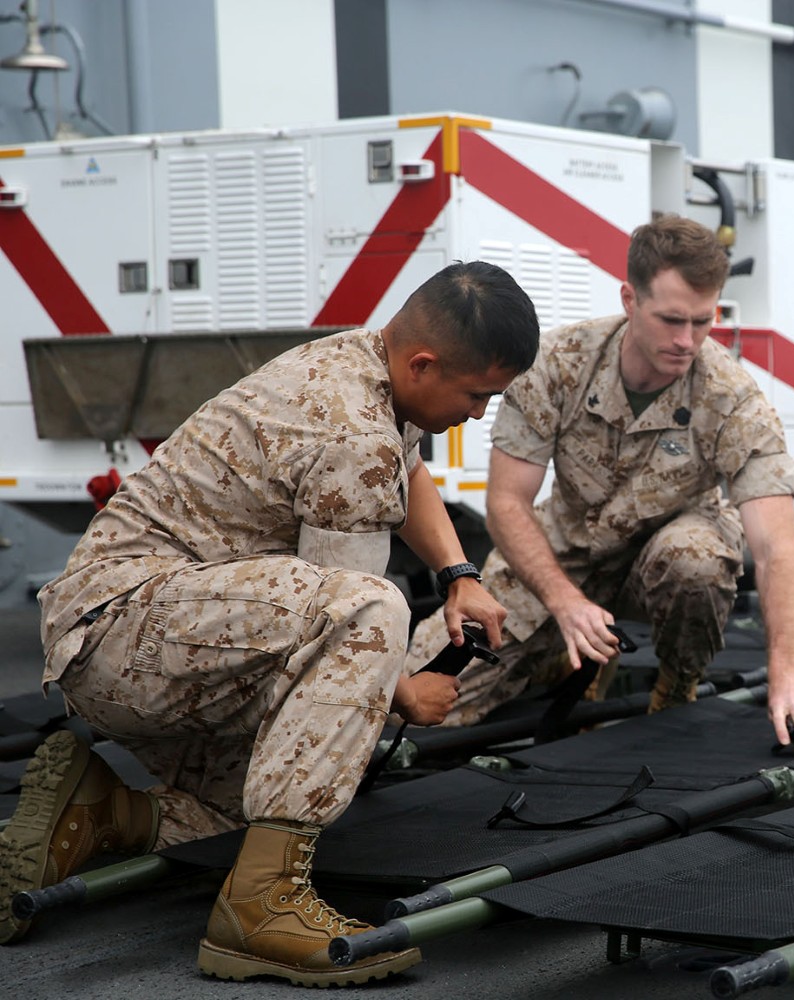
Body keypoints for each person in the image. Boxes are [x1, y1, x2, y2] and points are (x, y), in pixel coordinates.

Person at [6, 261, 540, 986]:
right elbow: (352, 618)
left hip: (151, 630)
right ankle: (260, 909)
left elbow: (407, 466)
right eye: (478, 395)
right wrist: (406, 692)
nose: (478, 414)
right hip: (124, 632)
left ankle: (104, 815)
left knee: (260, 807)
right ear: (424, 364)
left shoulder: (367, 361)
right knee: (371, 612)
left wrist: (460, 575)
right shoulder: (353, 433)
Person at [403, 215, 794, 747]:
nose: (686, 340)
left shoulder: (732, 398)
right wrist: (565, 603)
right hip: (564, 550)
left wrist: (789, 671)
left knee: (695, 558)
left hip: (666, 559)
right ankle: (559, 663)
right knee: (415, 705)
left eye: (702, 321)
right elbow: (507, 502)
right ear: (630, 300)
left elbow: (777, 547)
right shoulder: (559, 364)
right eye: (671, 320)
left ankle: (676, 686)